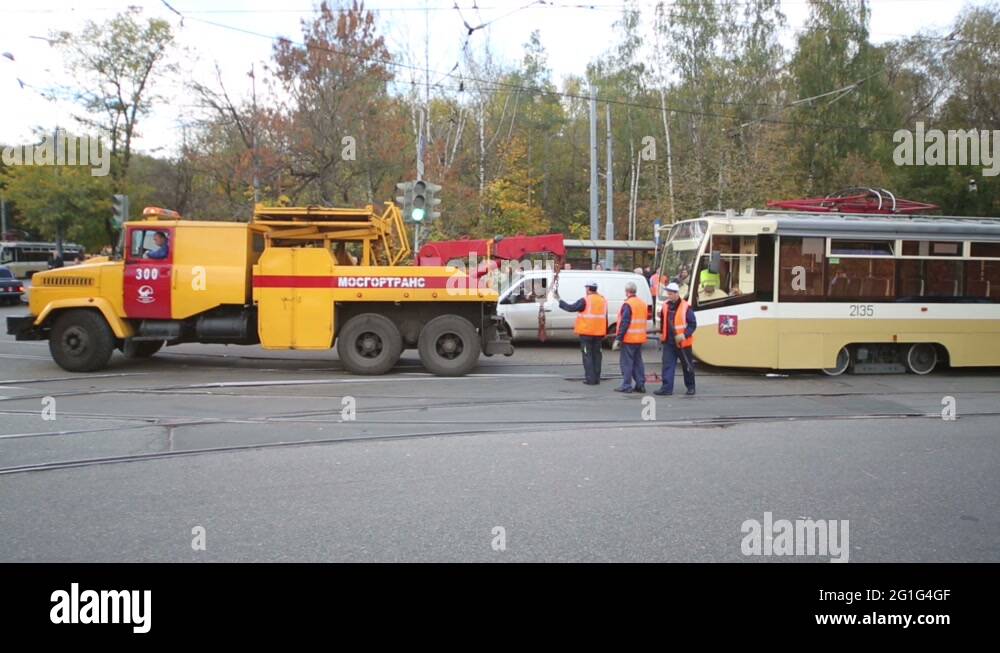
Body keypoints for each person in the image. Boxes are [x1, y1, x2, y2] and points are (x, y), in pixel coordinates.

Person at [555, 281, 607, 385]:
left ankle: (590, 379)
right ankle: (596, 378)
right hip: (599, 333)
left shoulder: (585, 300)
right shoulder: (603, 300)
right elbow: (604, 317)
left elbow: (571, 308)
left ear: (588, 289)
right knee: (597, 356)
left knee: (587, 356)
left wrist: (559, 300)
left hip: (586, 333)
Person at [654, 281, 697, 396]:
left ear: (677, 294)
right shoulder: (665, 305)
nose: (669, 296)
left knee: (687, 365)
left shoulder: (686, 307)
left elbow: (692, 324)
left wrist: (684, 335)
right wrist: (662, 334)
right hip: (669, 342)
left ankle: (691, 387)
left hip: (683, 343)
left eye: (671, 294)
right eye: (668, 294)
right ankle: (666, 389)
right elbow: (663, 322)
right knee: (667, 365)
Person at [612, 281, 648, 393]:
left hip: (629, 338)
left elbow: (625, 322)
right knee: (638, 362)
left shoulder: (628, 304)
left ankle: (626, 385)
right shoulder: (642, 303)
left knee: (627, 363)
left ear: (627, 292)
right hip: (640, 337)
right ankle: (640, 384)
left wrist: (618, 338)